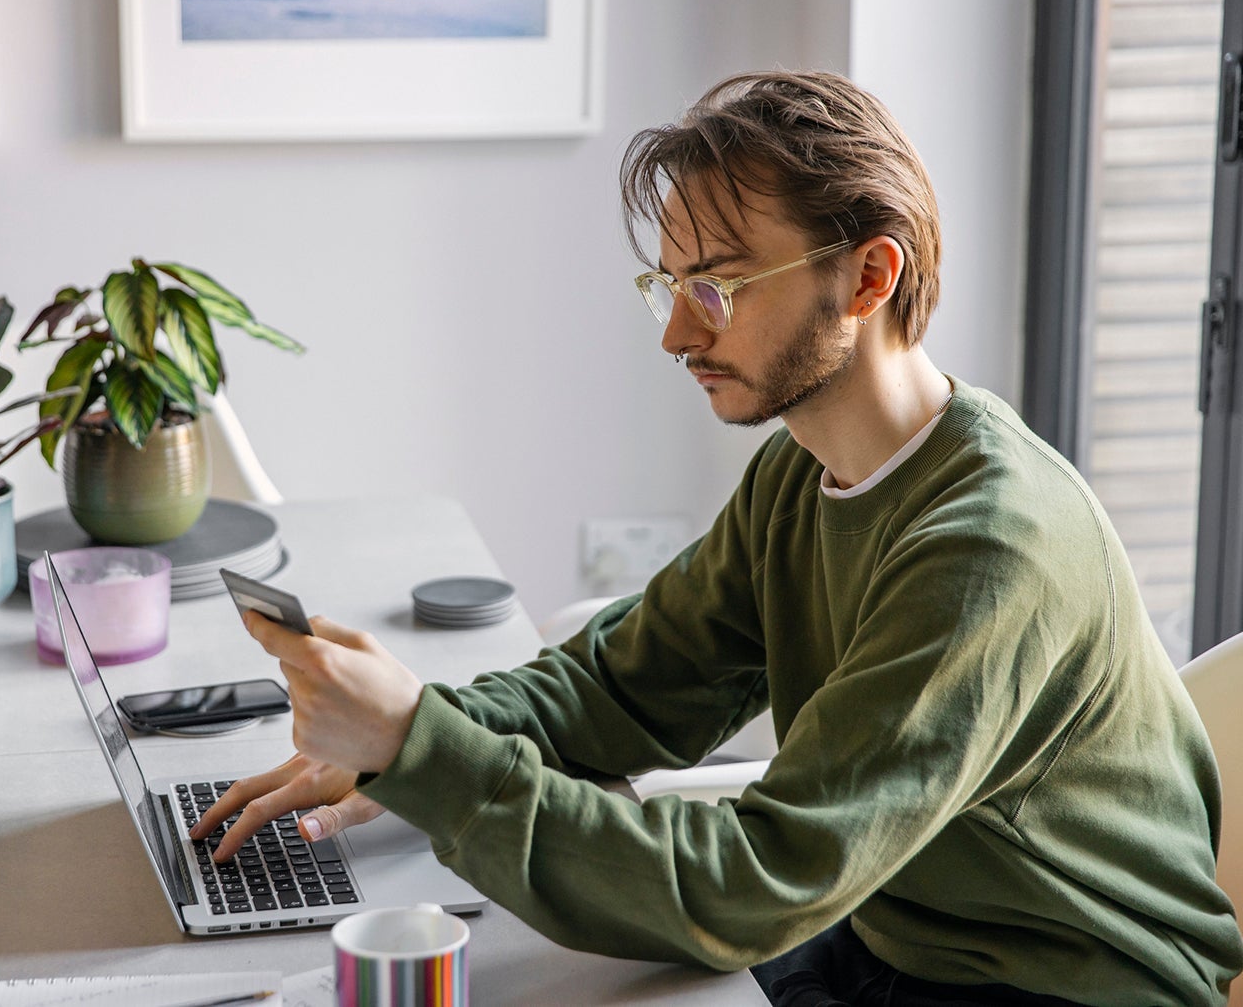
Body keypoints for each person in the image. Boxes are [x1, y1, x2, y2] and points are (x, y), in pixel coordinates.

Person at [190, 70, 1243, 1005]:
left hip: (1061, 981)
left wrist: (424, 748)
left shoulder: (986, 547)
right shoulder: (800, 476)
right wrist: (411, 737)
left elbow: (751, 883)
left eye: (719, 286)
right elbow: (620, 688)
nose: (677, 331)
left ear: (868, 278)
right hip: (897, 934)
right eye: (669, 282)